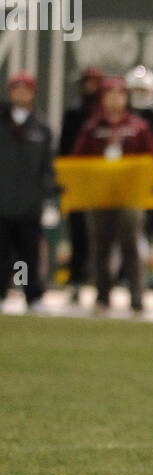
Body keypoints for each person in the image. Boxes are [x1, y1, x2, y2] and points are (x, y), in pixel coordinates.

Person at [72, 76, 153, 313]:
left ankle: (137, 296)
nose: (114, 100)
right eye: (109, 94)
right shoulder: (92, 128)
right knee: (99, 248)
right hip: (100, 197)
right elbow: (78, 161)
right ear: (103, 98)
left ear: (125, 98)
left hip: (129, 198)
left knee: (131, 246)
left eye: (119, 95)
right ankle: (102, 295)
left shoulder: (138, 127)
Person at [0, 72, 56, 310]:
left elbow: (48, 166)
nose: (21, 94)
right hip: (2, 201)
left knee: (29, 253)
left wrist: (43, 194)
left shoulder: (41, 127)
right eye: (16, 89)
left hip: (30, 204)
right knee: (1, 253)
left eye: (25, 90)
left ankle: (33, 295)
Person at [59, 65, 102, 301]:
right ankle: (75, 281)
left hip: (103, 183)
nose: (89, 87)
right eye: (86, 82)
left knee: (103, 237)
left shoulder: (106, 116)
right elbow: (65, 150)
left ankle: (103, 286)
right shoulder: (74, 115)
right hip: (79, 182)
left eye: (93, 83)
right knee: (78, 233)